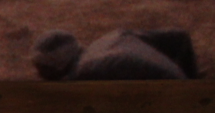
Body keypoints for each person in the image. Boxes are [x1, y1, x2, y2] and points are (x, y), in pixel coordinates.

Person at [31, 28, 198, 81]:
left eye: (43, 68)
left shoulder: (85, 71)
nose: (38, 74)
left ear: (58, 65)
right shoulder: (113, 38)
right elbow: (180, 37)